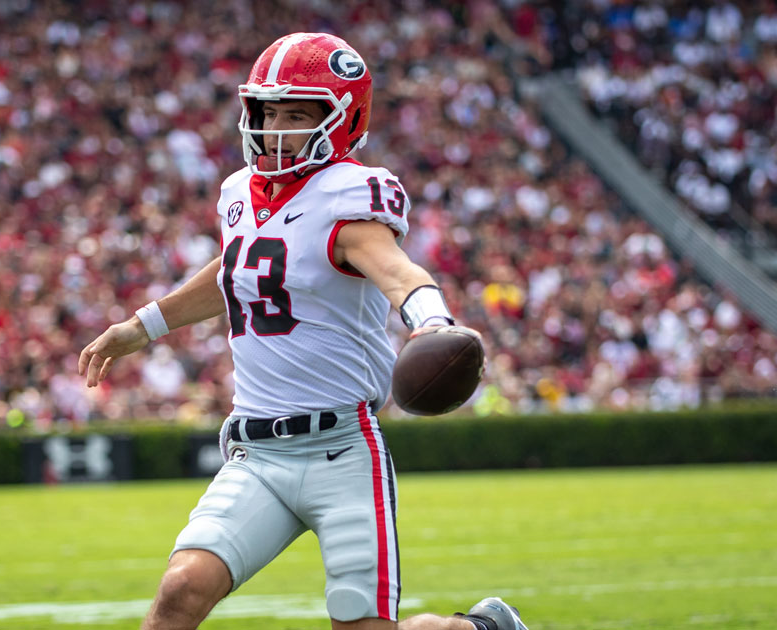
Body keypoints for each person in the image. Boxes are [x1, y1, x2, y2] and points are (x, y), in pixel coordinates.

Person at [79, 33, 527, 630]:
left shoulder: (347, 195)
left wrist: (432, 322)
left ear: (344, 119)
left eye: (296, 115)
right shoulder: (240, 192)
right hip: (257, 451)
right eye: (268, 113)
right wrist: (144, 326)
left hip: (341, 449)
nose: (275, 129)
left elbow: (397, 272)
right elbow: (238, 266)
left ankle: (480, 627)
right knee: (180, 591)